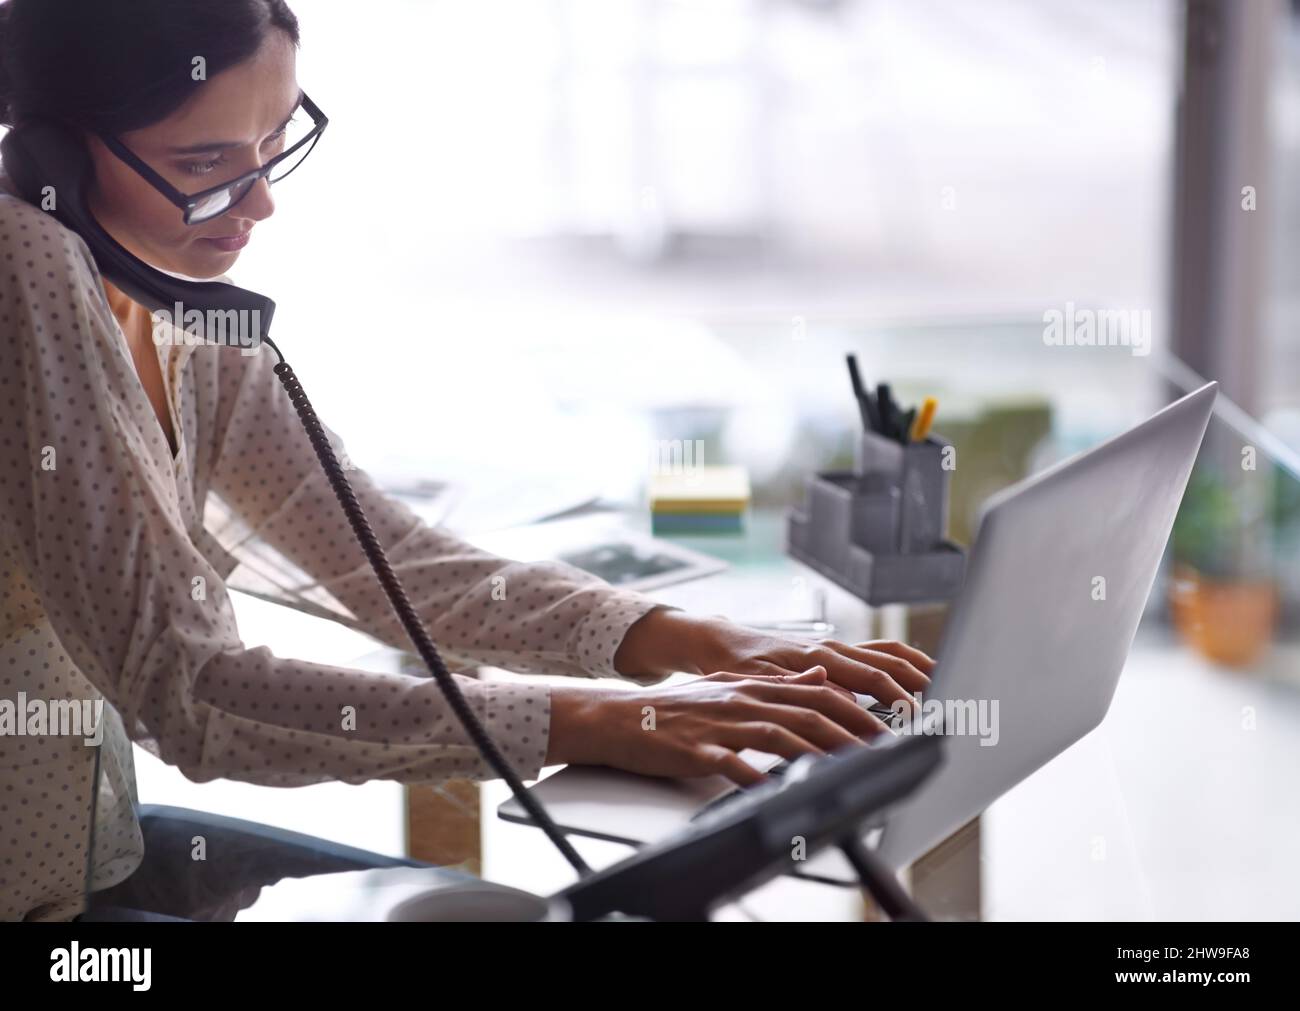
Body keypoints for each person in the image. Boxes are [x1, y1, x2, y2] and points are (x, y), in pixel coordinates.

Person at [0, 0, 933, 921]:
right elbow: (192, 690)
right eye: (201, 165)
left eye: (275, 143)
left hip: (93, 842)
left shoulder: (168, 291)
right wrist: (600, 720)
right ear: (50, 160)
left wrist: (698, 642)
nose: (261, 204)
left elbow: (379, 556)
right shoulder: (26, 261)